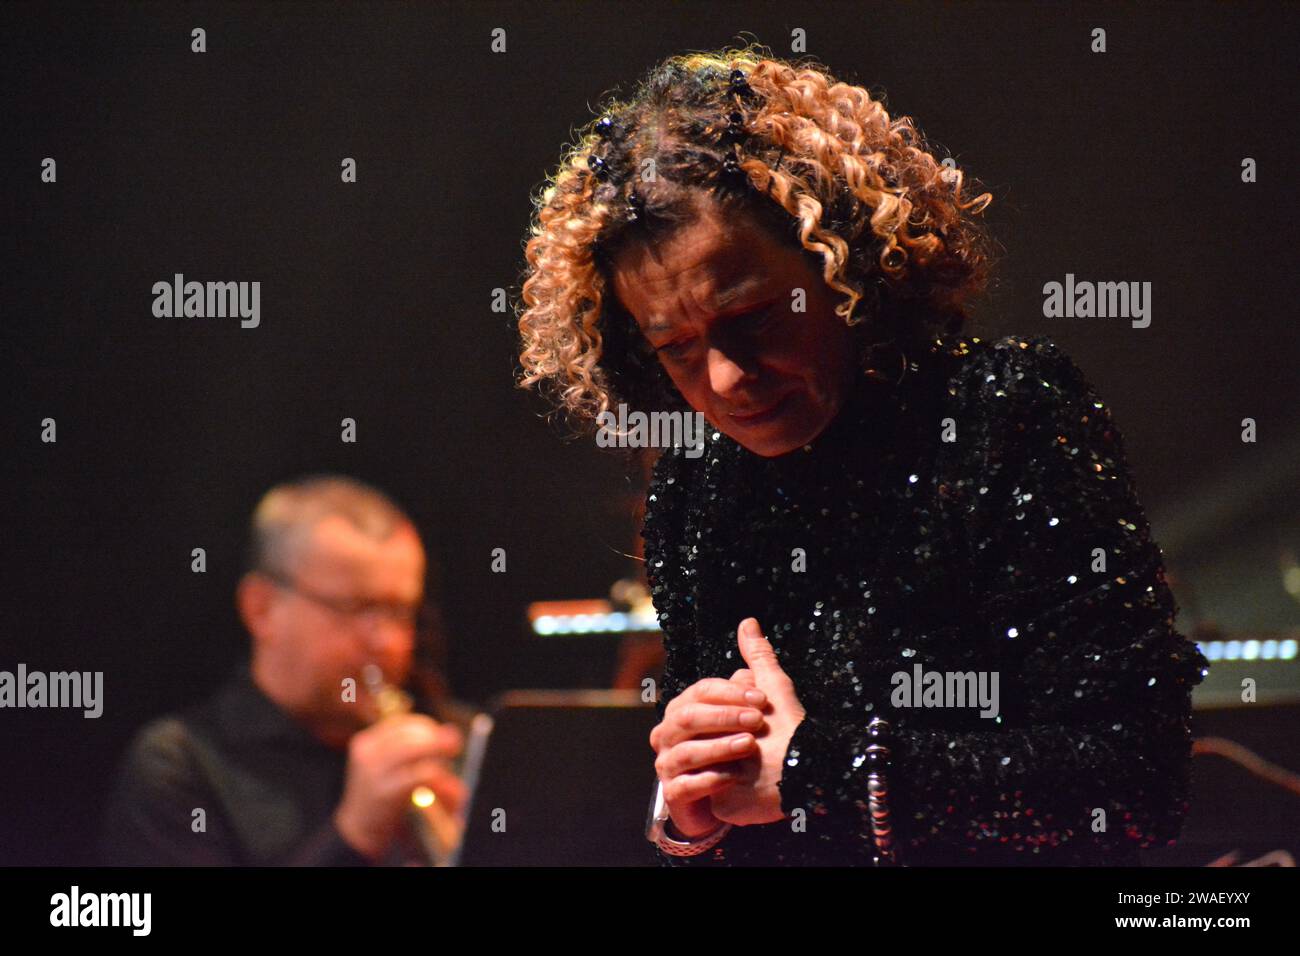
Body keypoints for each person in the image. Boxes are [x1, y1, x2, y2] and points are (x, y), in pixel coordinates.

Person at [515, 47, 1209, 865]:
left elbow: (1132, 789)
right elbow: (736, 812)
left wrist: (817, 772)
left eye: (755, 317)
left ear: (844, 260)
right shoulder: (696, 487)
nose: (727, 378)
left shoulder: (1007, 414)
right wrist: (687, 811)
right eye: (675, 348)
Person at [100, 475, 477, 865]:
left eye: (399, 611)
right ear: (261, 608)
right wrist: (354, 837)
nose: (386, 641)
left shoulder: (461, 742)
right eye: (354, 607)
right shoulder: (180, 765)